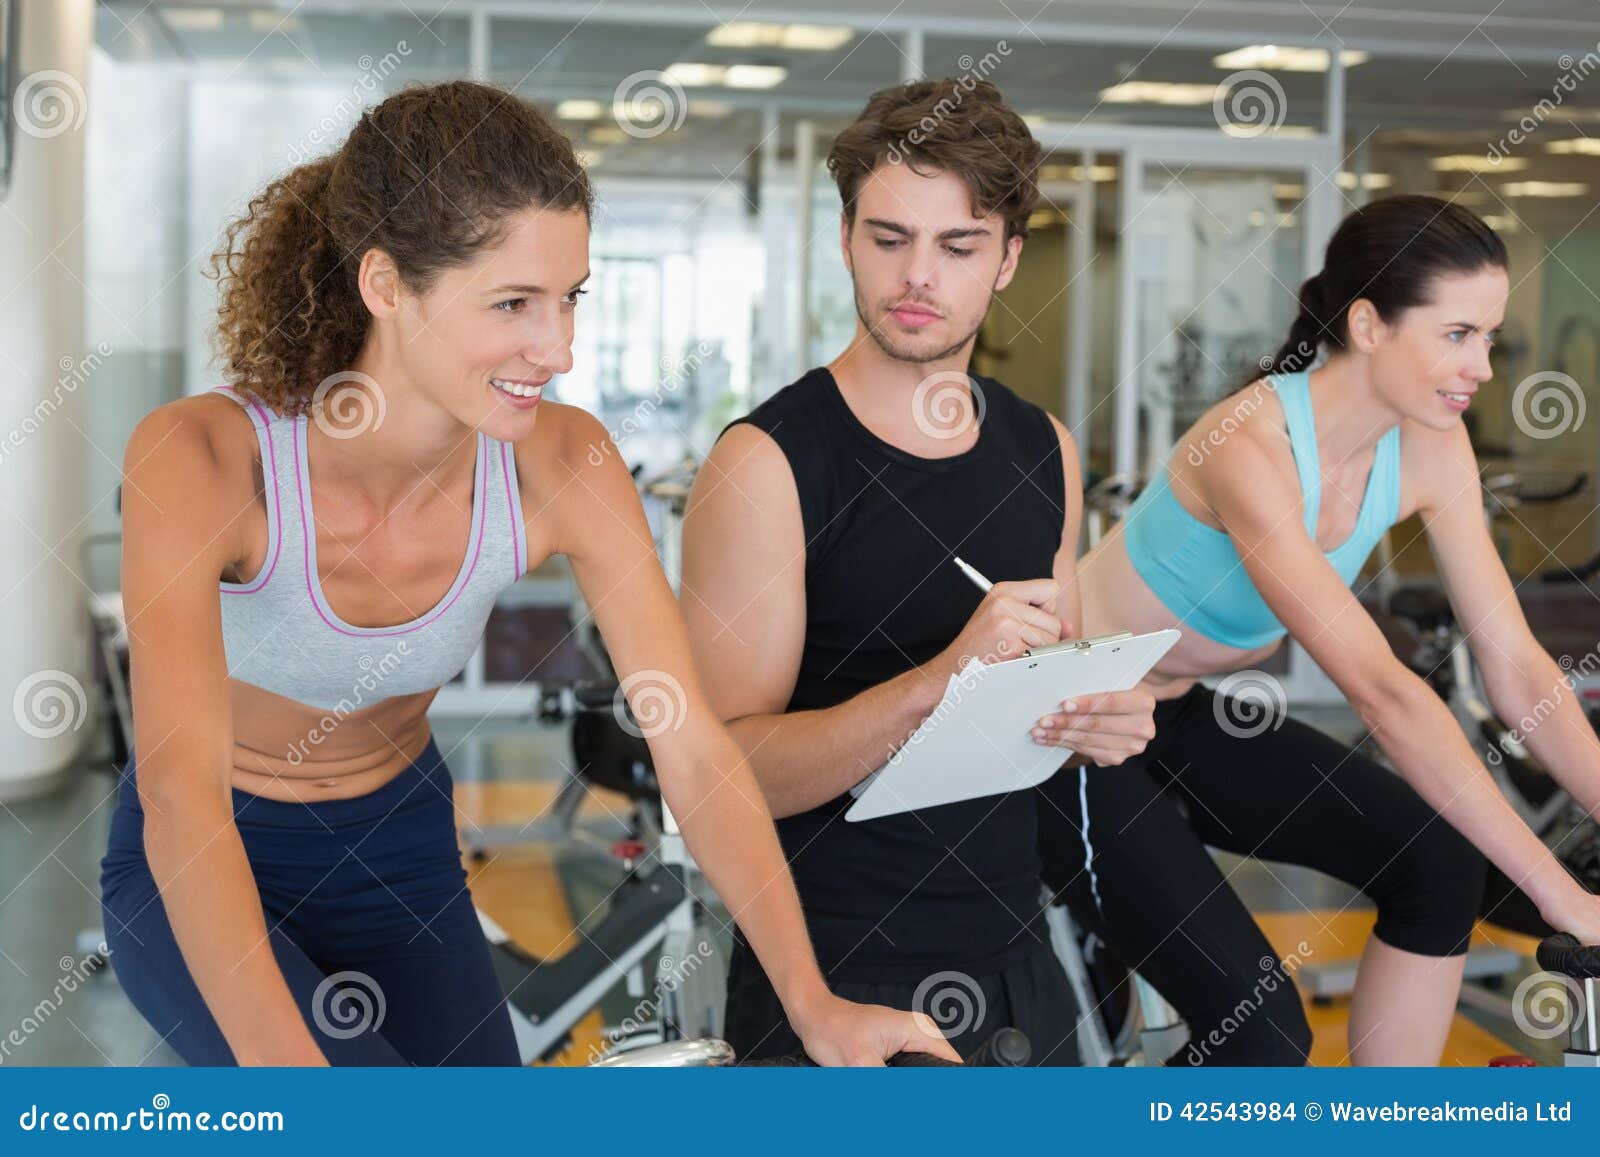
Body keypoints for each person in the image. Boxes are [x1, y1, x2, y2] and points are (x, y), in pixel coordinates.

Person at [98, 80, 956, 1069]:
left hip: (398, 844)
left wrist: (814, 1004)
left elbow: (694, 750)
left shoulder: (565, 460)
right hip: (204, 847)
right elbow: (179, 794)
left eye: (570, 298)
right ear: (385, 284)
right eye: (512, 303)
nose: (558, 348)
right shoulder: (202, 457)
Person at [1039, 194, 1600, 1066]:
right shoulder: (1247, 445)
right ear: (1370, 324)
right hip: (1067, 735)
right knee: (1263, 1034)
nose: (1484, 366)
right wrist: (1562, 894)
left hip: (1181, 713)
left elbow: (1517, 666)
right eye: (1458, 334)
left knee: (1438, 866)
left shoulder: (1431, 445)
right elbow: (1383, 697)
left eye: (1488, 335)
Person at [679, 79, 1156, 1065]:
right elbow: (727, 777)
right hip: (832, 968)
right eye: (888, 237)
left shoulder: (1044, 449)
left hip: (1016, 950)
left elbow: (1025, 708)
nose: (916, 276)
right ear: (846, 238)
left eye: (957, 246)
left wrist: (1089, 721)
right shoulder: (767, 463)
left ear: (1009, 260)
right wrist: (940, 680)